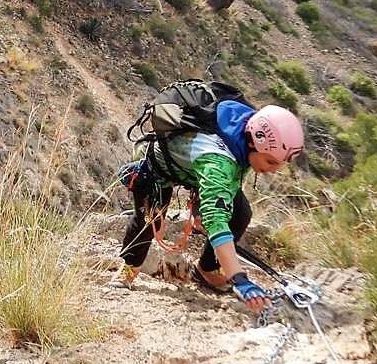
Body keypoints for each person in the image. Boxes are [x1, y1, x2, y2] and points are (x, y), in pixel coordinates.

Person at [116, 86, 305, 312]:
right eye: (271, 162)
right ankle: (128, 270)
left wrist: (200, 208)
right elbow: (216, 218)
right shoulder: (219, 161)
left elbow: (229, 181)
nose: (273, 170)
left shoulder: (246, 128)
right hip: (158, 166)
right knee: (150, 221)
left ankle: (207, 268)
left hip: (196, 165)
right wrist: (239, 279)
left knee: (240, 213)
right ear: (254, 143)